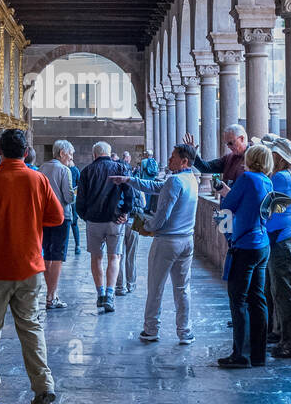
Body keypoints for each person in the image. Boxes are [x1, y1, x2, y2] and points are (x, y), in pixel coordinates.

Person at [0, 128, 63, 404]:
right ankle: (44, 387)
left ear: (1, 152)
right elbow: (57, 217)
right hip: (30, 267)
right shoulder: (38, 180)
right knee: (31, 327)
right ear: (26, 152)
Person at [113, 142, 199, 344]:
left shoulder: (175, 182)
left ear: (184, 161)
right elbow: (156, 186)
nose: (169, 160)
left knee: (156, 287)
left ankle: (151, 329)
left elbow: (161, 218)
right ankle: (185, 331)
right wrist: (128, 180)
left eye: (173, 156)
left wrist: (143, 224)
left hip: (168, 241)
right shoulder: (191, 179)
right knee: (182, 288)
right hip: (187, 240)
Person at [217, 143, 274, 369]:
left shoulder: (248, 179)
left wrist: (224, 193)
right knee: (258, 300)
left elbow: (228, 205)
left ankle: (240, 354)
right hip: (262, 244)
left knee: (238, 299)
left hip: (246, 245)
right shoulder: (267, 181)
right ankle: (258, 355)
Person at [75, 140, 133, 313]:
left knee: (96, 257)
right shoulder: (121, 168)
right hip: (115, 220)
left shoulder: (86, 171)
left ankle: (100, 293)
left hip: (94, 220)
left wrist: (86, 216)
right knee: (114, 257)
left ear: (94, 154)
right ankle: (110, 295)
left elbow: (81, 200)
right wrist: (125, 212)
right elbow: (129, 192)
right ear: (110, 152)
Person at [262, 135, 291, 357]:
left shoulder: (281, 177)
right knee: (279, 290)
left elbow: (272, 210)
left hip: (284, 240)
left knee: (285, 293)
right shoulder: (289, 175)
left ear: (278, 156)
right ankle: (283, 336)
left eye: (271, 153)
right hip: (286, 237)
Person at [39, 140, 75, 311]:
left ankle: (51, 293)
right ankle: (51, 297)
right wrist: (75, 193)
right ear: (62, 153)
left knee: (47, 254)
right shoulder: (64, 170)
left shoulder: (42, 168)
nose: (71, 158)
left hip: (44, 218)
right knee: (58, 256)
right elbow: (68, 197)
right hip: (61, 217)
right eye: (70, 154)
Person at [184, 125, 249, 188]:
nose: (228, 147)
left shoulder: (254, 157)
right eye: (227, 144)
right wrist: (192, 153)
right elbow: (206, 167)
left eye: (231, 143)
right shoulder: (228, 158)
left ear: (241, 139)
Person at [115, 151, 141, 296]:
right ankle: (130, 284)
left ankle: (120, 286)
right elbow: (142, 205)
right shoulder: (135, 184)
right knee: (131, 255)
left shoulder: (114, 186)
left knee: (118, 255)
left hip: (118, 222)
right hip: (132, 222)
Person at [68, 155, 82, 253]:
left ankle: (76, 245)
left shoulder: (64, 169)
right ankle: (77, 246)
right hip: (73, 199)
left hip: (65, 200)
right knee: (74, 223)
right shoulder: (76, 170)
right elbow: (79, 186)